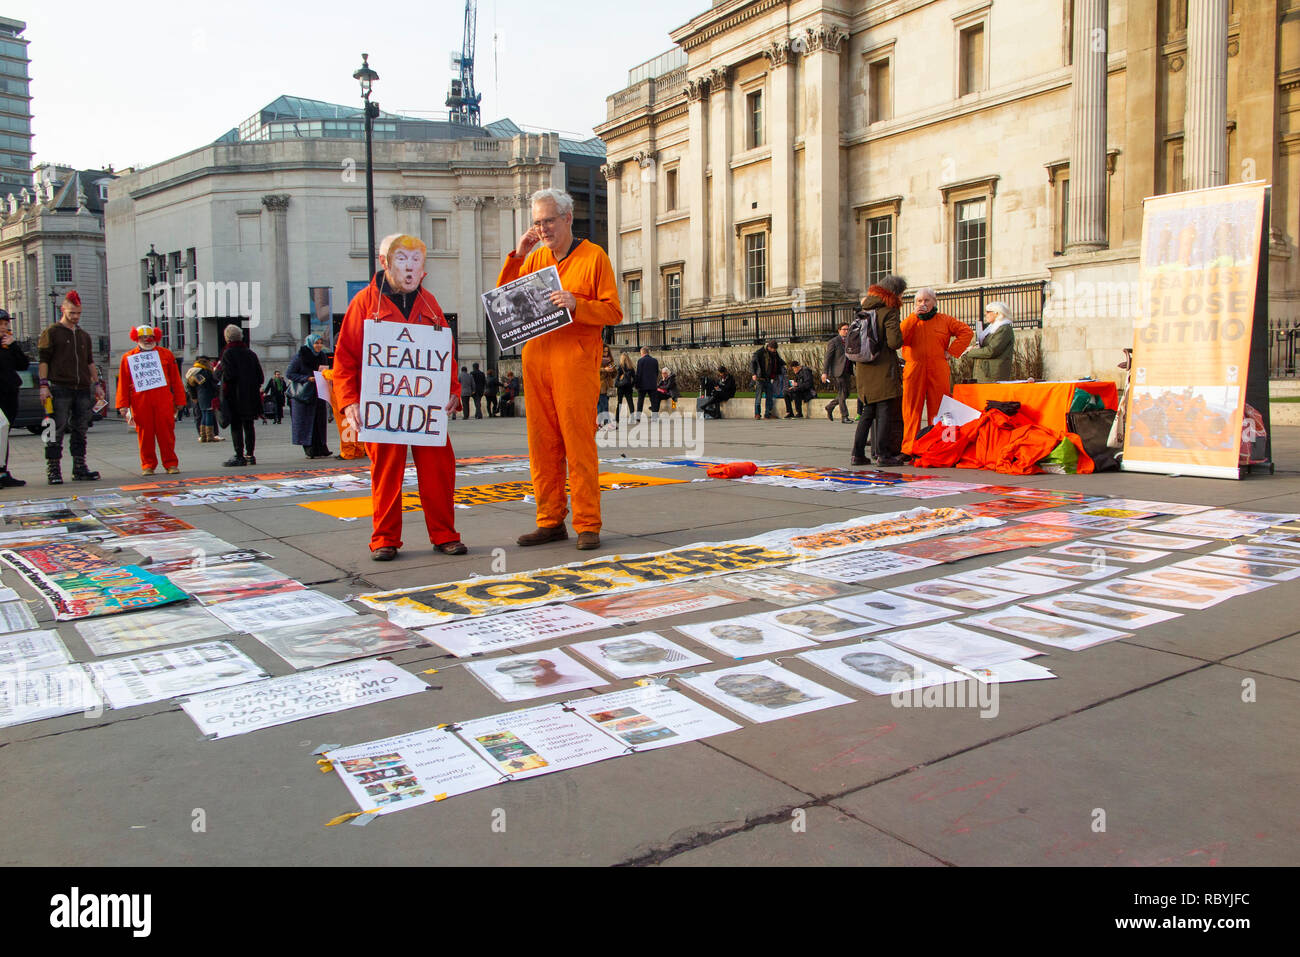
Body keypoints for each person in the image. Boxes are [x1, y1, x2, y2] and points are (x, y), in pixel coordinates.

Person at [496, 187, 623, 551]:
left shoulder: (594, 257)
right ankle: (550, 520)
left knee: (578, 445)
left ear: (568, 218)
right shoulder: (534, 259)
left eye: (549, 220)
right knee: (542, 446)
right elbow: (503, 302)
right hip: (537, 362)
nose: (543, 228)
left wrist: (577, 304)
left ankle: (587, 523)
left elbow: (613, 311)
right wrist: (519, 254)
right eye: (537, 222)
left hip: (574, 364)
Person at [334, 233, 466, 561]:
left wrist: (453, 391)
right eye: (402, 259)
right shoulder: (363, 303)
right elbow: (345, 357)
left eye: (416, 260)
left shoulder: (431, 304)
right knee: (386, 473)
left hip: (424, 409)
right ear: (385, 263)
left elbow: (446, 355)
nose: (410, 267)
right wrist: (349, 401)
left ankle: (445, 534)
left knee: (439, 471)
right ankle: (384, 539)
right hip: (384, 408)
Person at [37, 290, 105, 484]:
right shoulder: (52, 332)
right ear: (63, 310)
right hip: (59, 386)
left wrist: (96, 383)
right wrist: (44, 385)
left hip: (82, 387)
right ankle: (53, 469)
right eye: (72, 313)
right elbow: (44, 360)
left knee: (80, 429)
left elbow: (89, 361)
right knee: (54, 428)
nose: (75, 317)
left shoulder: (84, 335)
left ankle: (79, 467)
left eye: (78, 313)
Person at [900, 287, 973, 453]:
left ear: (934, 302)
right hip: (914, 367)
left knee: (940, 408)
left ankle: (938, 446)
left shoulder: (945, 320)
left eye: (926, 300)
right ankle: (909, 448)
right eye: (919, 301)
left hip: (938, 366)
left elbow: (966, 332)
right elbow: (899, 337)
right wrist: (913, 316)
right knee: (911, 408)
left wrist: (952, 352)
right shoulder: (911, 321)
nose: (923, 304)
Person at [115, 324, 187, 475]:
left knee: (166, 433)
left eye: (151, 337)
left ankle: (171, 464)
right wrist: (123, 405)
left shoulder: (166, 355)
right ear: (137, 338)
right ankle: (148, 465)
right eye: (143, 337)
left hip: (163, 401)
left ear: (156, 338)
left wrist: (180, 400)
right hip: (140, 402)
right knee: (144, 434)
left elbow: (176, 379)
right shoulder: (128, 357)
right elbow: (123, 382)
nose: (147, 340)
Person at [851, 275, 908, 466]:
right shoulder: (888, 311)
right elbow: (894, 342)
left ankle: (857, 453)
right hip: (882, 368)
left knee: (867, 412)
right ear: (895, 292)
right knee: (885, 412)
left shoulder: (865, 308)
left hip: (864, 368)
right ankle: (884, 454)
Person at [216, 324, 264, 467]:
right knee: (249, 425)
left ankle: (239, 455)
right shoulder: (250, 353)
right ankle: (250, 455)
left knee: (236, 425)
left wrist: (219, 374)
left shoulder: (227, 353)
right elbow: (260, 377)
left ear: (226, 338)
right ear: (241, 336)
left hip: (235, 395)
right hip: (251, 395)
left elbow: (229, 375)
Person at [287, 333, 331, 458]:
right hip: (304, 395)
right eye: (316, 343)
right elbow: (290, 373)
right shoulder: (300, 356)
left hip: (318, 392)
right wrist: (307, 378)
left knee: (319, 421)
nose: (319, 345)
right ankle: (310, 449)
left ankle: (321, 447)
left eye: (320, 343)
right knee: (306, 422)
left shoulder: (322, 356)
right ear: (310, 343)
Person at [0, 309, 29, 486]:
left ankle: (3, 472)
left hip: (9, 393)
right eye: (1, 325)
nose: (4, 328)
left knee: (4, 433)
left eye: (5, 325)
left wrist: (14, 345)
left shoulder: (9, 344)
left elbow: (23, 364)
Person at [966, 300, 1015, 383]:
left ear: (997, 313)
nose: (986, 314)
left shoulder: (1004, 329)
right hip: (984, 372)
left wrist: (971, 352)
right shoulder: (992, 328)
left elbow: (991, 351)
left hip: (993, 375)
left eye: (988, 312)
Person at [822, 322, 854, 423]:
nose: (846, 331)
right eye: (844, 329)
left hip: (847, 370)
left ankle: (830, 406)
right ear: (839, 330)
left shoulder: (850, 341)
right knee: (842, 392)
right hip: (838, 371)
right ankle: (844, 416)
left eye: (848, 329)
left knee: (846, 393)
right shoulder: (834, 342)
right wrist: (825, 372)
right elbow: (828, 358)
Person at [185, 357, 221, 443]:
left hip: (200, 396)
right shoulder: (206, 372)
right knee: (208, 414)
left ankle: (203, 435)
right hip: (208, 395)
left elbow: (192, 385)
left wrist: (194, 396)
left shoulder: (194, 372)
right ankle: (210, 436)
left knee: (204, 415)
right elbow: (211, 384)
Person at [750, 340, 784, 419]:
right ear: (769, 347)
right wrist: (753, 374)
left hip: (768, 378)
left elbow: (779, 361)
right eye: (773, 349)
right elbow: (752, 363)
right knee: (758, 397)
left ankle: (767, 413)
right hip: (760, 378)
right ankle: (757, 414)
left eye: (775, 349)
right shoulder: (760, 352)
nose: (774, 351)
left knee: (769, 397)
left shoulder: (774, 354)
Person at [635, 346, 659, 421]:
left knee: (640, 401)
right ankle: (655, 417)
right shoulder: (655, 361)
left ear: (642, 352)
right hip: (652, 384)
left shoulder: (640, 361)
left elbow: (638, 374)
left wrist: (637, 384)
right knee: (653, 401)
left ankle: (638, 417)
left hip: (642, 384)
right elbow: (656, 372)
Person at [598, 344, 616, 429]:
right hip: (600, 386)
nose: (605, 353)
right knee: (603, 405)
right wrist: (604, 370)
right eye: (604, 351)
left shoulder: (610, 361)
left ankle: (599, 423)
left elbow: (614, 375)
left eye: (607, 351)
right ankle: (606, 423)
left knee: (603, 405)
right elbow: (594, 370)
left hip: (608, 387)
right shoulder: (598, 360)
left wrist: (612, 370)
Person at [614, 353, 636, 424]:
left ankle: (617, 418)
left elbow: (617, 378)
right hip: (628, 388)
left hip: (621, 387)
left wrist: (617, 384)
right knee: (630, 403)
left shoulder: (620, 367)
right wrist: (631, 385)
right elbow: (635, 378)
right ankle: (632, 419)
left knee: (619, 403)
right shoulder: (631, 368)